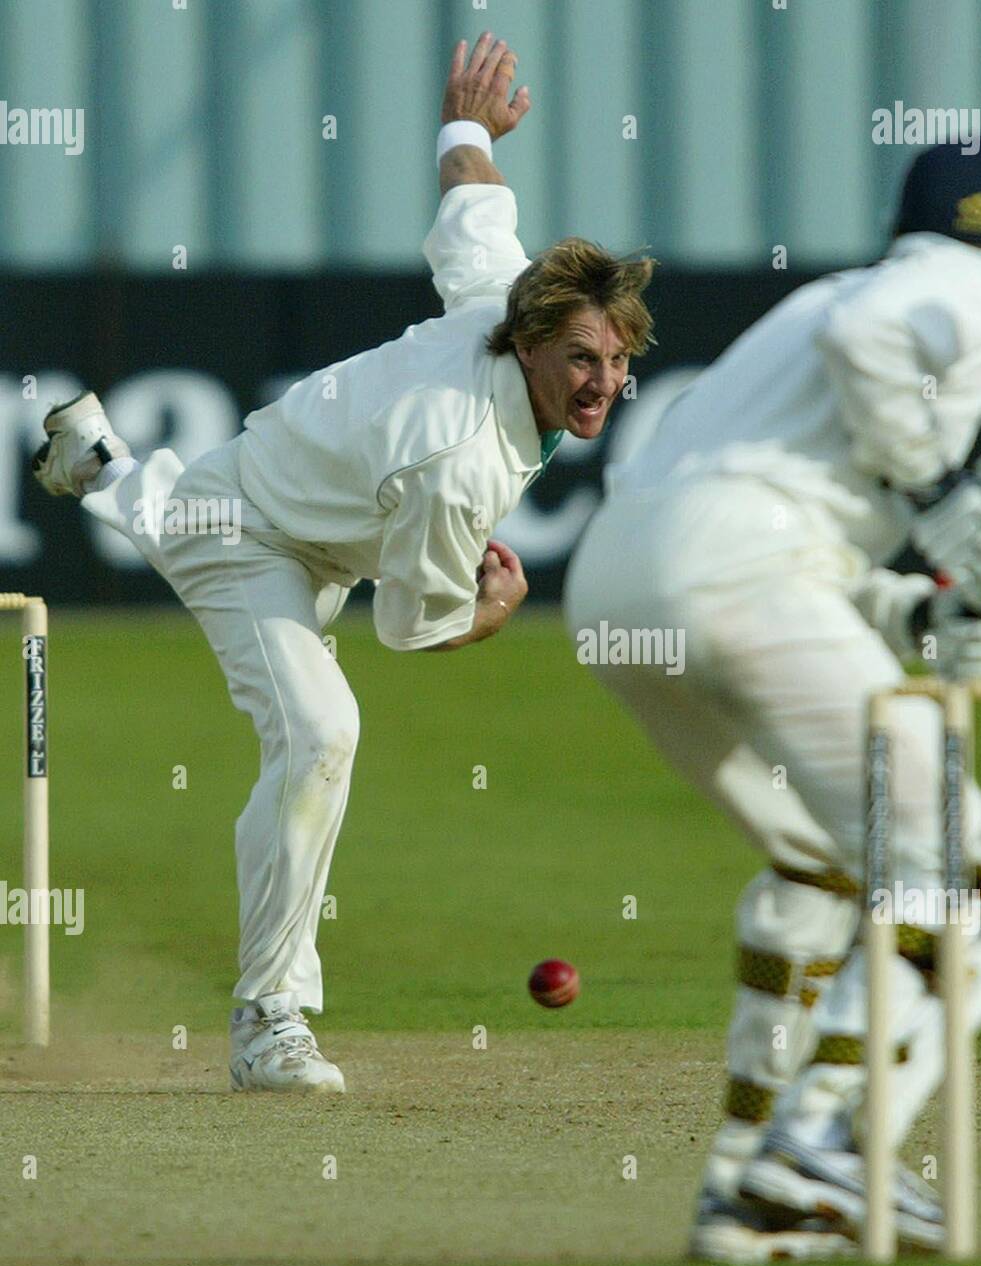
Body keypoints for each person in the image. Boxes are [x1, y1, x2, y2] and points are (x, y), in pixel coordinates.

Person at [33, 33, 653, 1095]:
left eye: (618, 358)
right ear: (531, 346)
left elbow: (472, 194)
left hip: (314, 494)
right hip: (254, 534)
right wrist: (494, 608)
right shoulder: (456, 457)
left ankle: (103, 466)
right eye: (582, 360)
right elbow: (409, 627)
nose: (601, 381)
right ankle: (268, 1017)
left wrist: (470, 122)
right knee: (321, 729)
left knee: (226, 556)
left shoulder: (500, 292)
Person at [564, 137, 981, 1262]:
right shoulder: (965, 292)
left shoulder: (821, 299)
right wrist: (941, 495)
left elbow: (820, 545)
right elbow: (873, 353)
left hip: (619, 583)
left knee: (825, 864)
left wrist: (925, 615)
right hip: (740, 571)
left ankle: (747, 1195)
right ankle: (818, 1144)